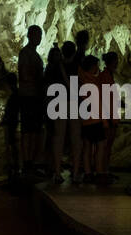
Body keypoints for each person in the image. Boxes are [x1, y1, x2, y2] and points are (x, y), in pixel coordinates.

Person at [17, 25, 45, 175]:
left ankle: (31, 162)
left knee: (34, 131)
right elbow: (24, 75)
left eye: (40, 35)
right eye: (37, 35)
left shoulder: (34, 54)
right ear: (29, 36)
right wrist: (39, 78)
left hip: (34, 96)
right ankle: (27, 162)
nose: (39, 38)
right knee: (28, 131)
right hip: (28, 96)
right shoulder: (25, 53)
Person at [77, 54, 105, 182]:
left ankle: (88, 173)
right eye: (96, 66)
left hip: (86, 120)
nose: (98, 68)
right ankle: (99, 172)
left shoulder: (82, 79)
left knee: (87, 147)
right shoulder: (94, 81)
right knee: (100, 147)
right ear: (92, 66)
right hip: (96, 119)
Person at [68, 30, 90, 180]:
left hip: (76, 100)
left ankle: (76, 167)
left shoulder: (74, 59)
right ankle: (77, 169)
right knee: (80, 137)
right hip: (80, 101)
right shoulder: (81, 60)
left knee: (77, 137)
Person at [44, 44, 66, 183]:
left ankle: (53, 165)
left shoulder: (51, 69)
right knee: (54, 134)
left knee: (54, 134)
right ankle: (52, 166)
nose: (58, 57)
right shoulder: (54, 69)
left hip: (54, 102)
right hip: (53, 103)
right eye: (56, 55)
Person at [97, 51, 120, 185]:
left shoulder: (108, 75)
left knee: (108, 146)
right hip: (108, 116)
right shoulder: (105, 76)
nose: (117, 63)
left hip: (111, 115)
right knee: (105, 146)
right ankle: (102, 171)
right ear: (111, 62)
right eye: (116, 60)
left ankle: (105, 169)